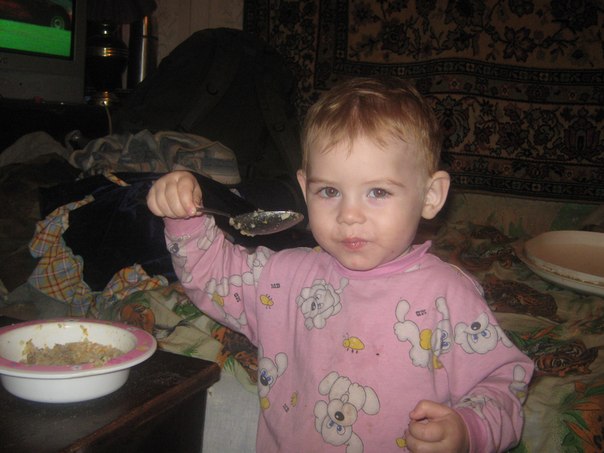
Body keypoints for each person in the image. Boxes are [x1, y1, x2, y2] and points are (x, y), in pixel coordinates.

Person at [147, 77, 534, 453]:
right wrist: (184, 216)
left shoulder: (446, 296)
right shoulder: (283, 279)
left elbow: (502, 384)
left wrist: (468, 430)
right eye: (329, 191)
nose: (349, 215)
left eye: (377, 192)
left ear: (430, 195)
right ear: (305, 189)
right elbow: (214, 277)